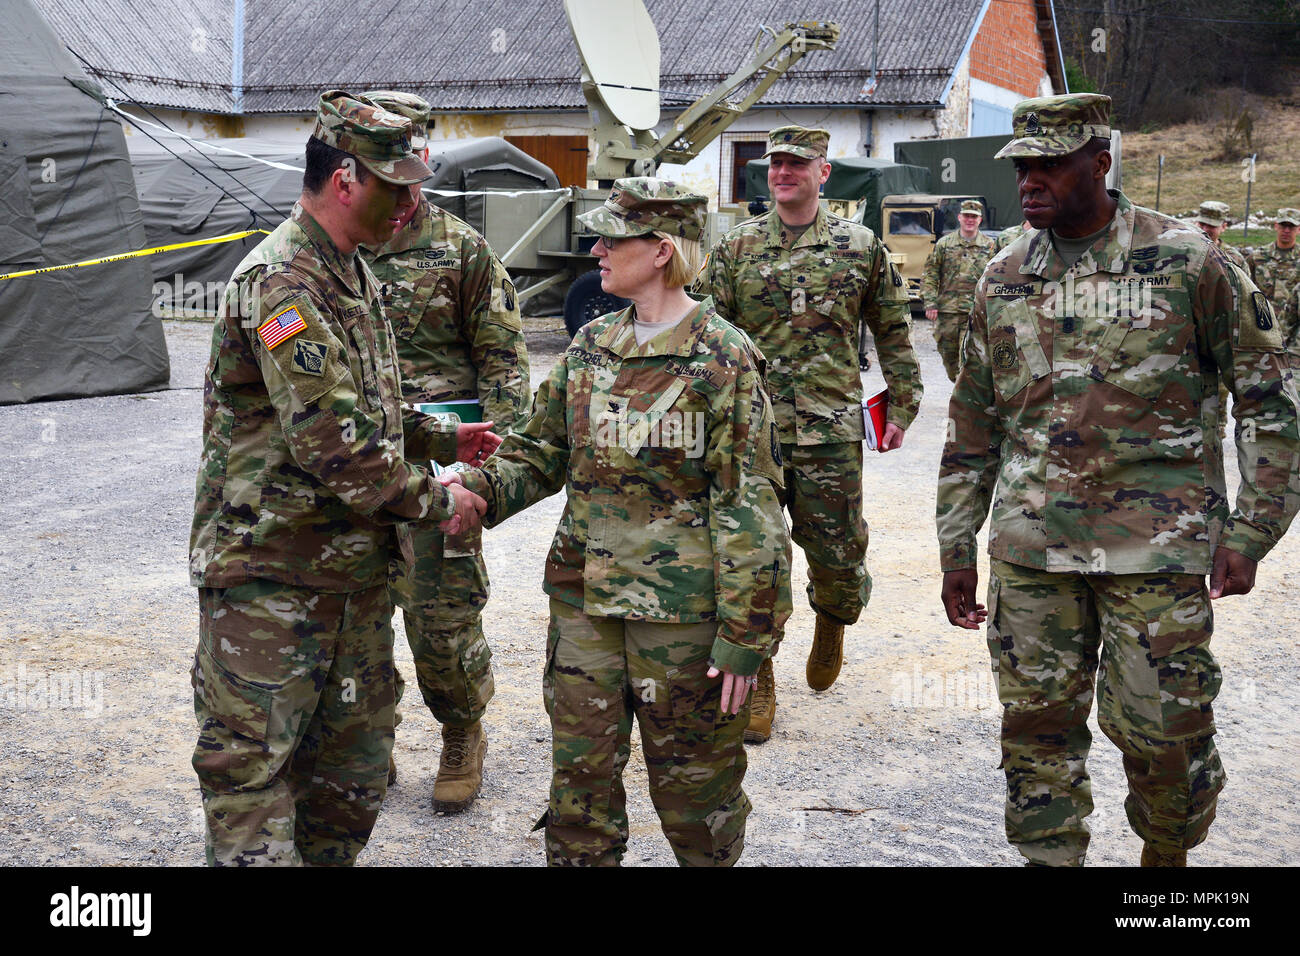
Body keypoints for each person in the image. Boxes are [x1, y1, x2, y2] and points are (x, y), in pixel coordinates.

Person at [937, 93, 1300, 867]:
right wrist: (955, 546)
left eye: (1049, 165)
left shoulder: (1188, 262)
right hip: (1031, 552)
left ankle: (1166, 858)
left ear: (1099, 163)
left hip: (1154, 552)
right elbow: (974, 422)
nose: (1029, 181)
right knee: (1035, 740)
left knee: (1165, 736)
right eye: (1022, 167)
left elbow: (1267, 402)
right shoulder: (1001, 277)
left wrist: (1252, 530)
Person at [443, 178, 792, 865]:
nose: (596, 249)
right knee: (579, 793)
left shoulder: (722, 358)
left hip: (681, 621)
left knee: (697, 799)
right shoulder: (592, 344)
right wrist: (477, 493)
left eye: (612, 238)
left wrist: (748, 634)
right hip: (583, 610)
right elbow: (541, 452)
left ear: (661, 250)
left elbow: (749, 501)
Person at [188, 90, 497, 866]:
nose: (411, 201)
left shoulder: (349, 270)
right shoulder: (282, 285)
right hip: (273, 583)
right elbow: (337, 448)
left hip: (353, 577)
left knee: (348, 780)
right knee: (254, 783)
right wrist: (441, 500)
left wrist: (440, 433)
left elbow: (369, 407)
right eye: (397, 186)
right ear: (348, 180)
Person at [695, 125, 922, 741]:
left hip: (830, 429)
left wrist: (902, 403)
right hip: (753, 431)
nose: (783, 173)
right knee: (755, 557)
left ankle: (833, 617)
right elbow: (704, 336)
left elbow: (893, 329)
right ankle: (759, 674)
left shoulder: (859, 245)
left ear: (824, 173)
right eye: (775, 165)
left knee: (837, 552)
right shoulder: (737, 249)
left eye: (797, 164)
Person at [360, 90, 531, 812]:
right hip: (358, 461)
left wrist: (485, 473)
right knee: (355, 615)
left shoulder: (462, 251)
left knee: (441, 614)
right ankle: (367, 738)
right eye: (386, 183)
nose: (402, 199)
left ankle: (463, 731)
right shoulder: (337, 248)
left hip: (443, 462)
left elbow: (506, 369)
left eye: (412, 181)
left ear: (425, 166)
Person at [922, 198, 996, 382]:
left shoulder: (990, 247)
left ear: (979, 220)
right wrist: (930, 302)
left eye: (974, 217)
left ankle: (963, 402)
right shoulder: (945, 244)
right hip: (947, 312)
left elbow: (996, 279)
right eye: (966, 216)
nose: (970, 220)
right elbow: (930, 274)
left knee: (969, 357)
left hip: (975, 312)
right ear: (959, 218)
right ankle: (957, 386)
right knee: (949, 358)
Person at [1247, 208, 1300, 314]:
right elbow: (1246, 288)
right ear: (1276, 226)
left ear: (1299, 229)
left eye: (1291, 227)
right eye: (1283, 225)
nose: (1286, 230)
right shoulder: (1258, 256)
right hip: (1263, 320)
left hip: (1292, 323)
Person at [1193, 200, 1249, 272]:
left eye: (1211, 226)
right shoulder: (1182, 250)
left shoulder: (1234, 259)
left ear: (1223, 227)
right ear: (1195, 223)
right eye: (1202, 224)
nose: (1205, 229)